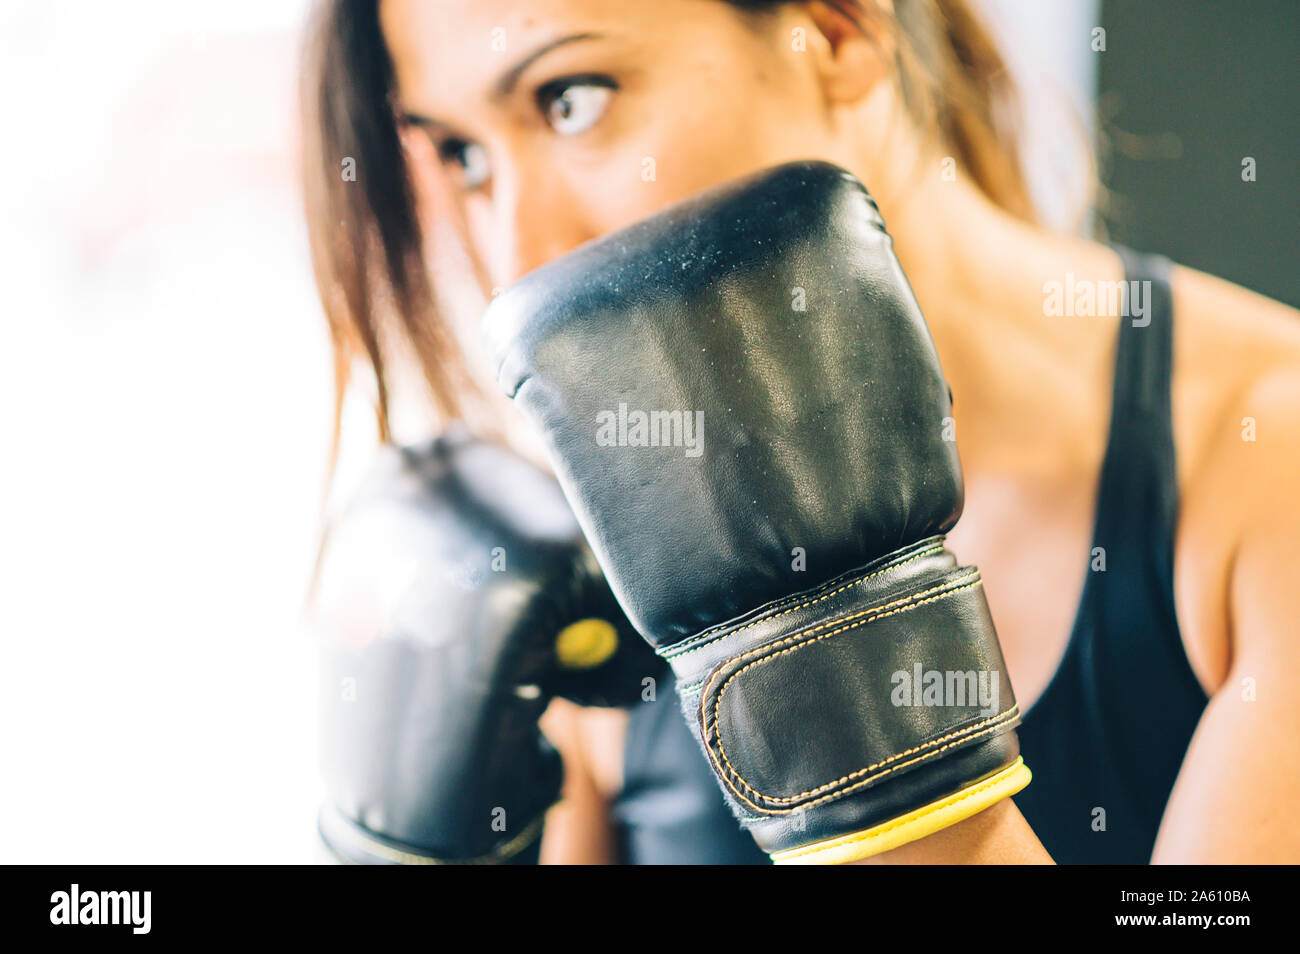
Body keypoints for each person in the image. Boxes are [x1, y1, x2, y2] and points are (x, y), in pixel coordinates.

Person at [301, 0, 1300, 864]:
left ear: (835, 26)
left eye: (571, 98)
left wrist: (842, 682)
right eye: (463, 155)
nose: (520, 248)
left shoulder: (1268, 466)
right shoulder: (594, 529)